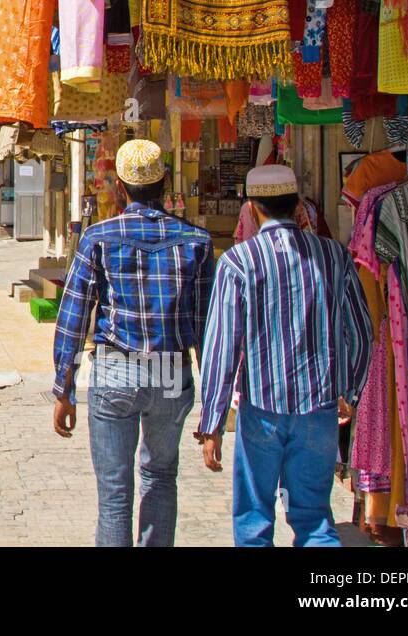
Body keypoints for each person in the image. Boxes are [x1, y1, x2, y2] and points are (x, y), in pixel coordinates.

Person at [195, 164, 373, 548]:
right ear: (296, 206)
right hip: (318, 408)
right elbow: (361, 333)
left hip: (262, 411)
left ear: (253, 208)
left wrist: (212, 422)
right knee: (313, 518)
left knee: (254, 519)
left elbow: (222, 347)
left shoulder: (238, 262)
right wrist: (349, 392)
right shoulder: (334, 256)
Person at [52, 139, 215, 547]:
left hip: (116, 370)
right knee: (160, 477)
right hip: (171, 372)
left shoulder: (98, 237)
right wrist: (213, 404)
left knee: (115, 493)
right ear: (165, 185)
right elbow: (206, 329)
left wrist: (63, 387)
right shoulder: (196, 240)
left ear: (121, 187)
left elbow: (74, 317)